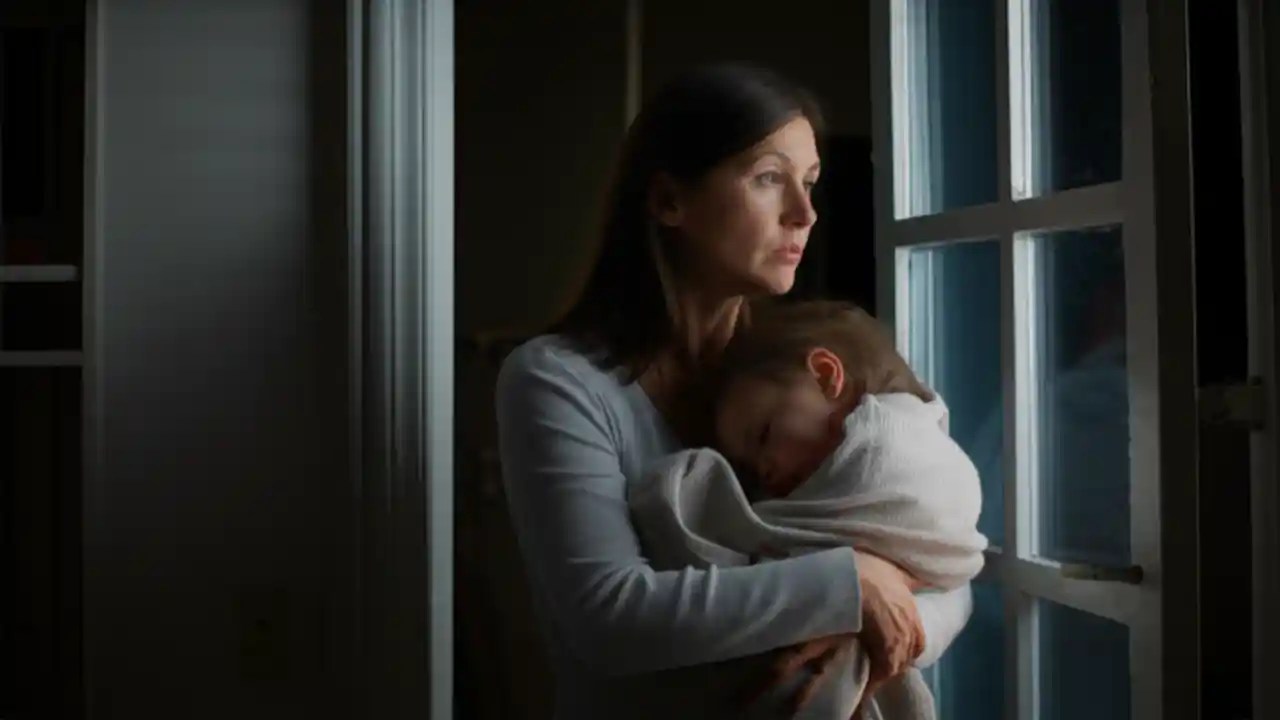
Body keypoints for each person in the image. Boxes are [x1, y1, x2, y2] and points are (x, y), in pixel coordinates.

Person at [495, 64, 974, 719]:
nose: (805, 213)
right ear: (668, 201)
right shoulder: (555, 379)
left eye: (809, 184)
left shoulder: (805, 371)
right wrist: (850, 583)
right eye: (768, 179)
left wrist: (894, 619)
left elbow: (945, 558)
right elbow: (609, 617)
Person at [626, 300, 986, 718]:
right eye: (745, 465)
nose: (763, 470)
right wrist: (852, 585)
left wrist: (905, 618)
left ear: (826, 375)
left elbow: (952, 559)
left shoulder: (891, 454)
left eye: (763, 436)